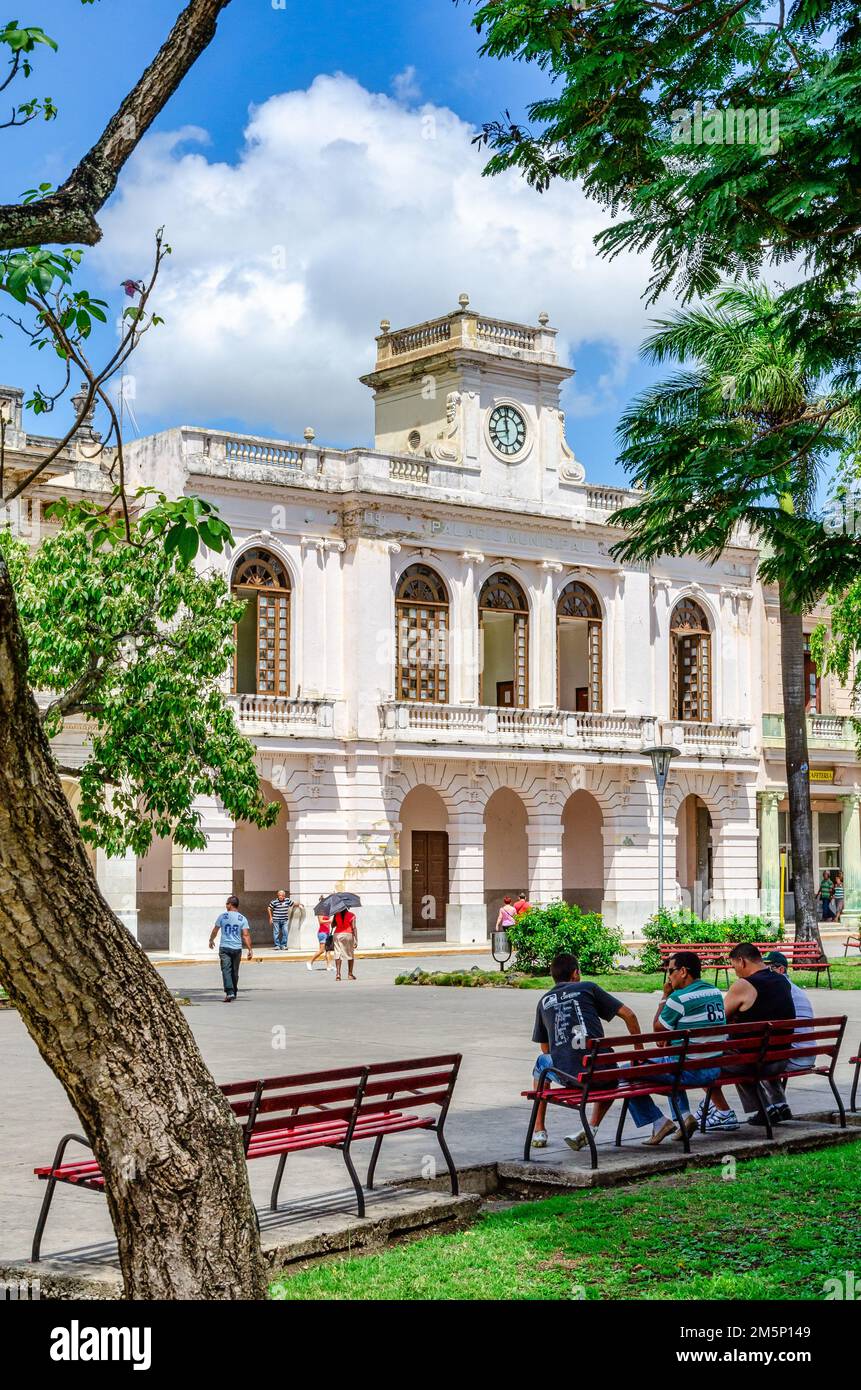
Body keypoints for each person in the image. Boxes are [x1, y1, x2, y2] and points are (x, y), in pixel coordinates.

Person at [530, 952, 647, 1152]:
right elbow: (629, 1015)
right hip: (603, 1074)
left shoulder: (544, 1000)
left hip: (571, 1076)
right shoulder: (588, 988)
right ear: (576, 973)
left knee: (541, 1062)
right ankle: (591, 1127)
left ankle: (539, 1128)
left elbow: (545, 1048)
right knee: (610, 1070)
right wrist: (639, 1050)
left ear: (553, 977)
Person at [624, 951, 740, 1145]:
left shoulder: (678, 999)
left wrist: (664, 996)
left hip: (688, 1071)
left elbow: (659, 1034)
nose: (668, 976)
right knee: (671, 1061)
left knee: (626, 1072)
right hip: (712, 1070)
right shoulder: (714, 992)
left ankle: (658, 1121)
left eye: (671, 971)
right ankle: (685, 1117)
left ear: (683, 971)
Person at [708, 942, 795, 1126]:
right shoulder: (782, 980)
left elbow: (719, 1019)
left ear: (742, 961)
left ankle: (762, 1109)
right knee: (744, 1050)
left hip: (756, 1061)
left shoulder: (744, 984)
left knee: (711, 1060)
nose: (735, 972)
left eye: (734, 967)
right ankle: (776, 1104)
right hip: (781, 1058)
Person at [763, 950, 814, 1077]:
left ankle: (774, 1098)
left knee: (751, 1065)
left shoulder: (778, 990)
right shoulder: (797, 990)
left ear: (781, 970)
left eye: (768, 968)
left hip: (793, 1058)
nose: (763, 972)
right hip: (808, 1055)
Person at [208, 895, 253, 1002]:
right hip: (237, 948)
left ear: (230, 904)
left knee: (226, 970)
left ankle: (230, 992)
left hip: (225, 947)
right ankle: (234, 991)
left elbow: (215, 930)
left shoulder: (222, 917)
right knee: (235, 971)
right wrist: (250, 949)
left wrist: (211, 940)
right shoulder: (242, 918)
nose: (226, 905)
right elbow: (246, 935)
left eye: (227, 903)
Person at [332, 907, 357, 981]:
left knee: (338, 953)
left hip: (337, 935)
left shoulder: (336, 915)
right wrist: (356, 939)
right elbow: (354, 928)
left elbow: (332, 925)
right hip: (348, 934)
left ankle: (338, 974)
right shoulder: (352, 915)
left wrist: (335, 915)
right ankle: (350, 974)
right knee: (350, 954)